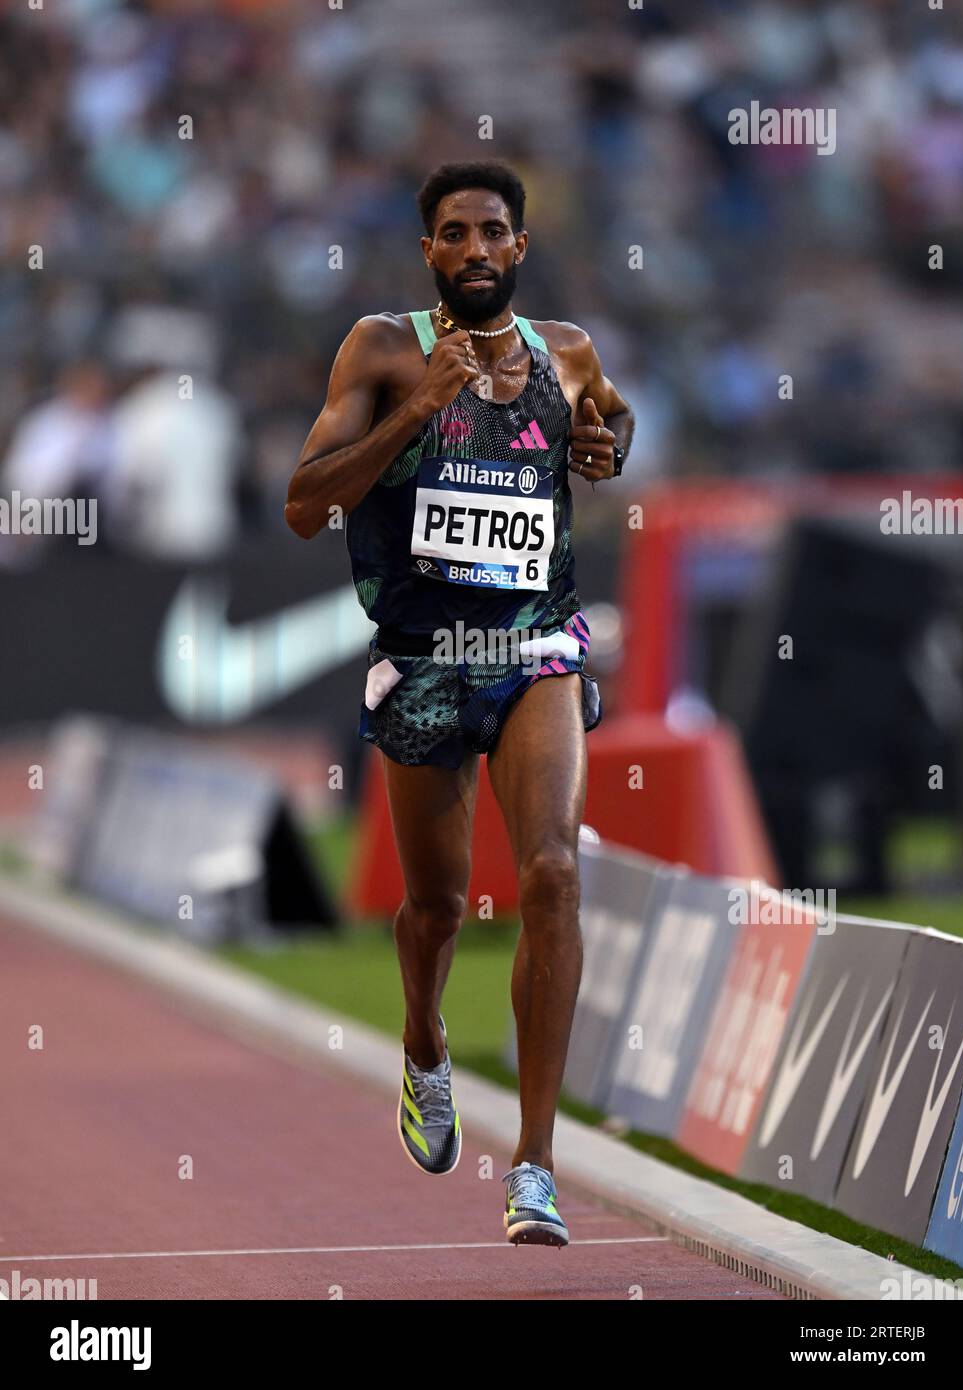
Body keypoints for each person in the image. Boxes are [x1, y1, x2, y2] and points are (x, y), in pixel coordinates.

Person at [286, 160, 634, 1246]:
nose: (477, 248)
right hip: (424, 656)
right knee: (436, 906)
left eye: (494, 231)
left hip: (534, 645)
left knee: (552, 871)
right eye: (454, 233)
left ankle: (534, 1164)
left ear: (520, 248)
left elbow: (613, 423)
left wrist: (607, 445)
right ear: (428, 250)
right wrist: (417, 411)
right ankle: (425, 1043)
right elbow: (306, 501)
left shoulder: (564, 351)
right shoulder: (382, 349)